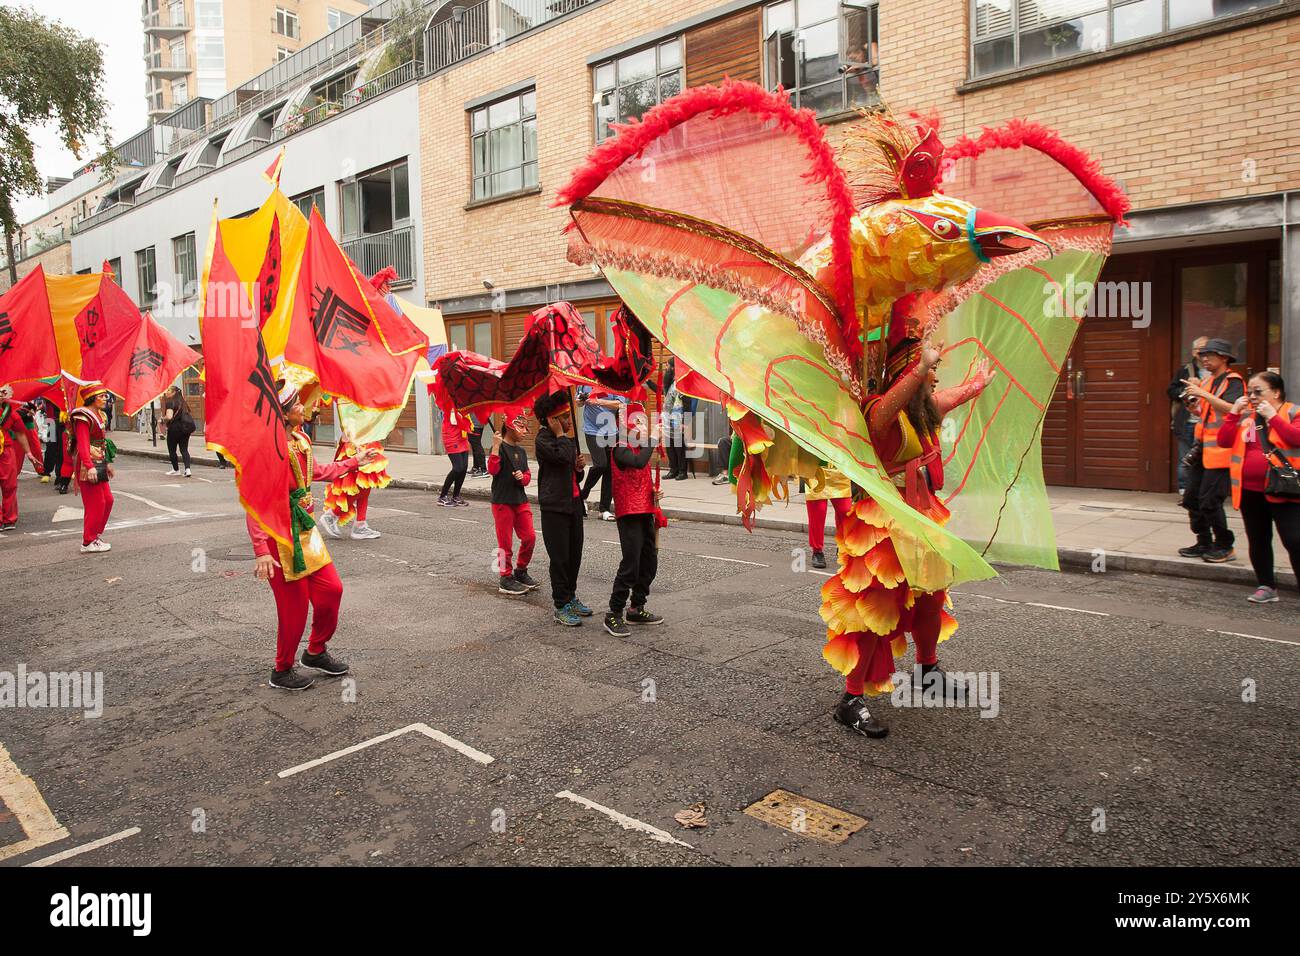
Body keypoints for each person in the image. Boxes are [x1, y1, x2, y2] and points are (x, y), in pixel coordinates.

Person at [823, 326, 995, 739]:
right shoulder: (879, 412)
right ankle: (850, 700)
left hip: (924, 519)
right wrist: (919, 369)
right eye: (930, 372)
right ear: (908, 373)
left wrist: (977, 384)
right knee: (873, 609)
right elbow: (891, 406)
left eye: (934, 372)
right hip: (883, 522)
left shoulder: (924, 411)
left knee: (932, 600)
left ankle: (928, 671)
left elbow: (950, 397)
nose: (936, 378)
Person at [249, 383, 381, 691]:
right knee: (294, 610)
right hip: (277, 537)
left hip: (305, 530)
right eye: (296, 404)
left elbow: (316, 471)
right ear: (281, 413)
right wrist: (260, 549)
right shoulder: (265, 450)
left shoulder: (301, 440)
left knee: (331, 590)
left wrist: (353, 463)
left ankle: (315, 651)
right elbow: (255, 501)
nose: (303, 407)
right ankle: (282, 670)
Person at [1218, 371, 1300, 604]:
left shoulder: (1293, 412)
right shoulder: (1249, 418)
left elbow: (1296, 438)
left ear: (1276, 392)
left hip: (1285, 490)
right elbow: (1224, 441)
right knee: (1258, 539)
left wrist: (1273, 417)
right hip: (1251, 491)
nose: (1252, 397)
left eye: (1258, 391)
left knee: (1294, 540)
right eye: (1249, 392)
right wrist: (1233, 413)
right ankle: (1266, 586)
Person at [1178, 338, 1245, 563]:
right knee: (1190, 498)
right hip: (1203, 450)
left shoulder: (1234, 381)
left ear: (1224, 358)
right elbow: (1205, 411)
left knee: (1209, 500)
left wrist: (1203, 394)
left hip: (1222, 451)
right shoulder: (1208, 383)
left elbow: (1231, 409)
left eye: (1210, 355)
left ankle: (1225, 545)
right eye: (1202, 356)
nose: (1204, 359)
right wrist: (1193, 404)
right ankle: (1204, 541)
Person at [603, 402, 665, 636]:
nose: (643, 426)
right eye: (638, 422)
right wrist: (653, 440)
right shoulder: (620, 447)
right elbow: (637, 463)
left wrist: (653, 493)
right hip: (629, 512)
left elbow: (640, 477)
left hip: (645, 510)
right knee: (631, 563)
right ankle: (614, 612)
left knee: (649, 560)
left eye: (644, 422)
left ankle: (637, 607)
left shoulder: (641, 448)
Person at [534, 391, 592, 626]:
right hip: (554, 507)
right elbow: (559, 459)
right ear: (551, 420)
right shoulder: (543, 439)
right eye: (564, 417)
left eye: (569, 416)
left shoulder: (564, 441)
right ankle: (561, 604)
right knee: (559, 558)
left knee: (574, 555)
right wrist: (561, 436)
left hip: (573, 503)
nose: (569, 421)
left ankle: (571, 596)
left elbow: (572, 473)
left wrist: (578, 468)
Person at [488, 414, 539, 596]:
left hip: (520, 501)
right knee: (505, 543)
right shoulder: (499, 448)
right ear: (510, 426)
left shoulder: (522, 452)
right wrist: (495, 446)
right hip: (503, 502)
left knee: (530, 537)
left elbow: (527, 476)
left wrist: (522, 478)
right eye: (521, 427)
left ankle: (521, 570)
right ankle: (505, 577)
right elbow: (492, 470)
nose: (525, 431)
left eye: (526, 427)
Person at [69, 384, 116, 553]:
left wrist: (107, 463)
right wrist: (89, 466)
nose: (105, 399)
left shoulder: (99, 414)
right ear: (92, 397)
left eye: (105, 396)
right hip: (87, 464)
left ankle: (95, 535)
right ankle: (88, 541)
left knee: (108, 500)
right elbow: (82, 443)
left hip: (99, 461)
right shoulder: (83, 416)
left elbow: (101, 443)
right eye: (101, 396)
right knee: (95, 503)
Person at [318, 435, 387, 541]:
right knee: (357, 487)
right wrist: (355, 443)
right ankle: (332, 515)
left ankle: (360, 524)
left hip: (365, 441)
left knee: (365, 485)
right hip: (356, 445)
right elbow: (348, 421)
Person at [1167, 336, 1208, 494]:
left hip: (1209, 424)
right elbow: (1171, 391)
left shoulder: (1219, 374)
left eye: (1206, 349)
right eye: (1199, 349)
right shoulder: (1185, 370)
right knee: (1185, 458)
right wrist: (1188, 390)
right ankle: (1185, 490)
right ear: (1193, 352)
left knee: (1205, 459)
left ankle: (1203, 490)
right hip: (1187, 421)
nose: (1203, 353)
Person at [0, 387, 44, 531]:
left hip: (6, 451)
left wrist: (29, 454)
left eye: (3, 392)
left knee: (10, 485)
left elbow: (20, 434)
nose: (1, 395)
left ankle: (9, 519)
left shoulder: (11, 414)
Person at [577, 384, 623, 520]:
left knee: (609, 469)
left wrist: (598, 401)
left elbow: (620, 404)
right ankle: (583, 495)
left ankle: (604, 509)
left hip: (611, 430)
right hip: (592, 430)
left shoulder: (612, 381)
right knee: (601, 464)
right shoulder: (583, 381)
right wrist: (581, 400)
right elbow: (579, 403)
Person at [805, 462, 853, 570]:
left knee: (845, 512)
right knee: (818, 514)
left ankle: (842, 546)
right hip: (816, 471)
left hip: (840, 472)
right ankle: (817, 552)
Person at [160, 385, 195, 477]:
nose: (166, 392)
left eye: (169, 390)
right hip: (185, 429)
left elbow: (169, 416)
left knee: (172, 450)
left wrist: (162, 419)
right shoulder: (183, 402)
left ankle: (176, 470)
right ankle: (188, 469)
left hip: (174, 429)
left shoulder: (170, 402)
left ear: (174, 392)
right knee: (184, 449)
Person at [437, 408, 470, 507]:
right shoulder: (447, 403)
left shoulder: (463, 404)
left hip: (462, 437)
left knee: (463, 468)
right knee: (457, 468)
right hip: (451, 437)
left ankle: (456, 496)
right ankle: (442, 496)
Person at [467, 414, 489, 478]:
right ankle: (476, 467)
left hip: (474, 424)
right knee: (475, 445)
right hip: (477, 424)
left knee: (476, 446)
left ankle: (483, 469)